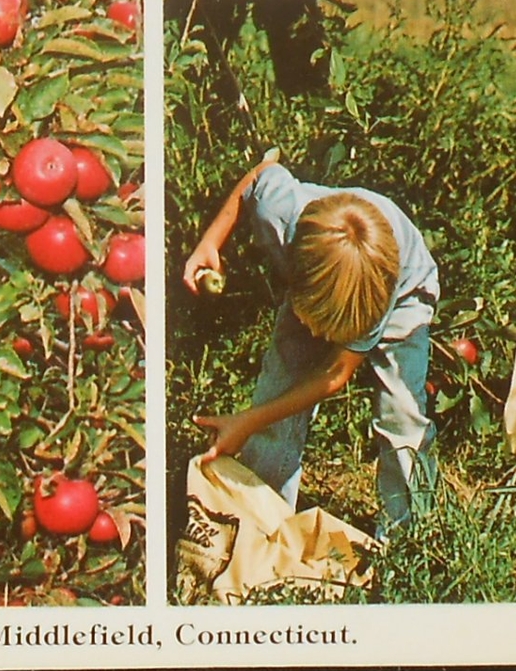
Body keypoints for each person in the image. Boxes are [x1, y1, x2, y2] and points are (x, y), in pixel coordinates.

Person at [182, 157, 439, 538]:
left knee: (401, 415)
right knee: (282, 384)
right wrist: (211, 241)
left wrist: (248, 420)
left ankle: (408, 535)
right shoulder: (280, 209)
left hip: (402, 295)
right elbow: (258, 176)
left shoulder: (369, 296)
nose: (320, 338)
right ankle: (260, 514)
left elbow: (335, 374)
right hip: (327, 275)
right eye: (315, 324)